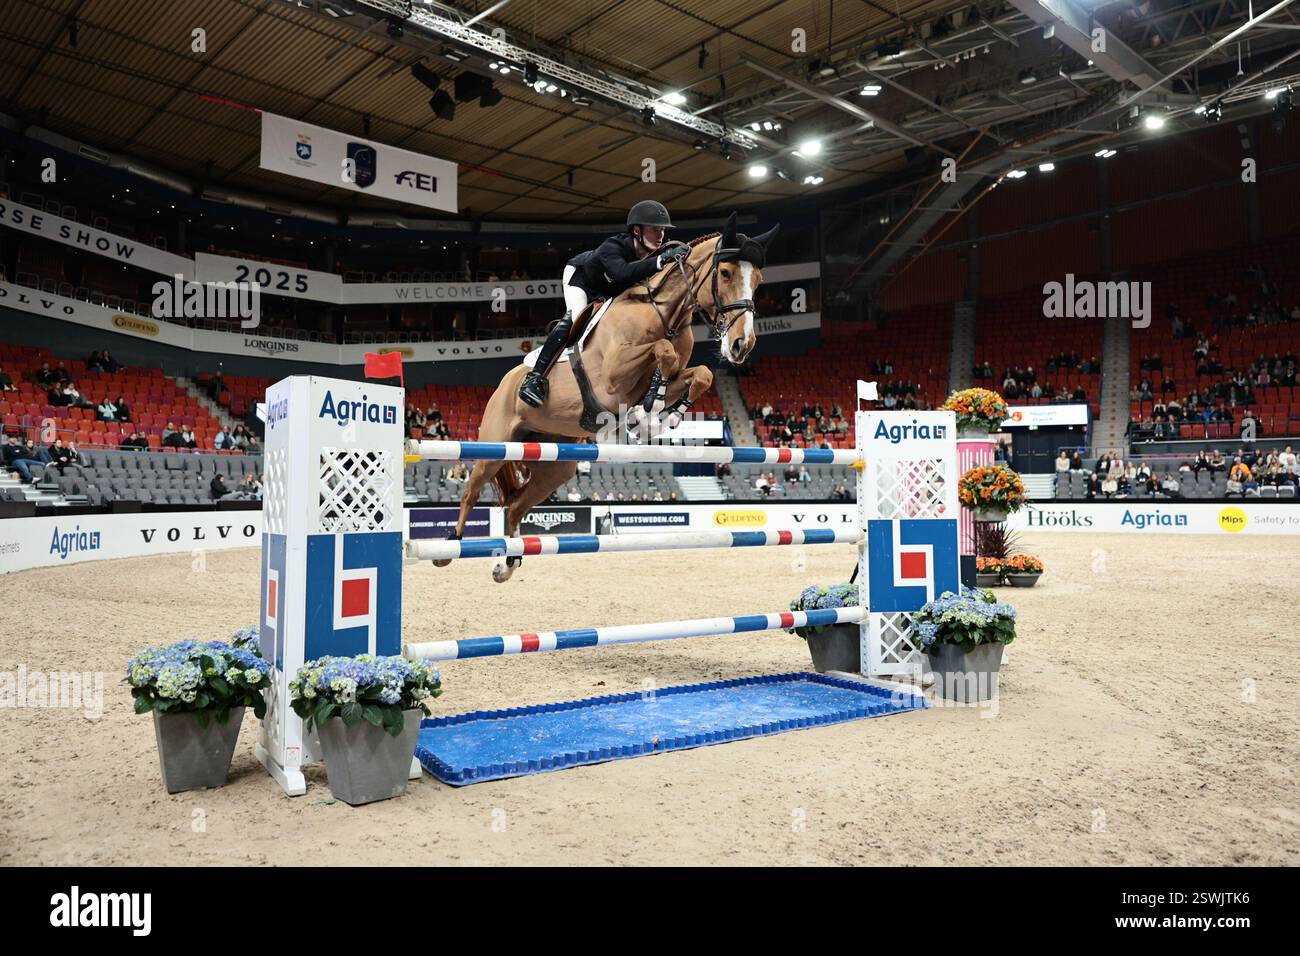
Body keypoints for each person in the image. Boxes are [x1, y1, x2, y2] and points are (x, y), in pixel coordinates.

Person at [517, 200, 687, 408]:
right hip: (582, 280)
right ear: (636, 230)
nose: (660, 235)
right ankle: (534, 378)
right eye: (654, 229)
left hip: (611, 292)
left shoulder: (655, 255)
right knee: (575, 318)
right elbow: (622, 272)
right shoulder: (613, 246)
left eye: (662, 230)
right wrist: (660, 262)